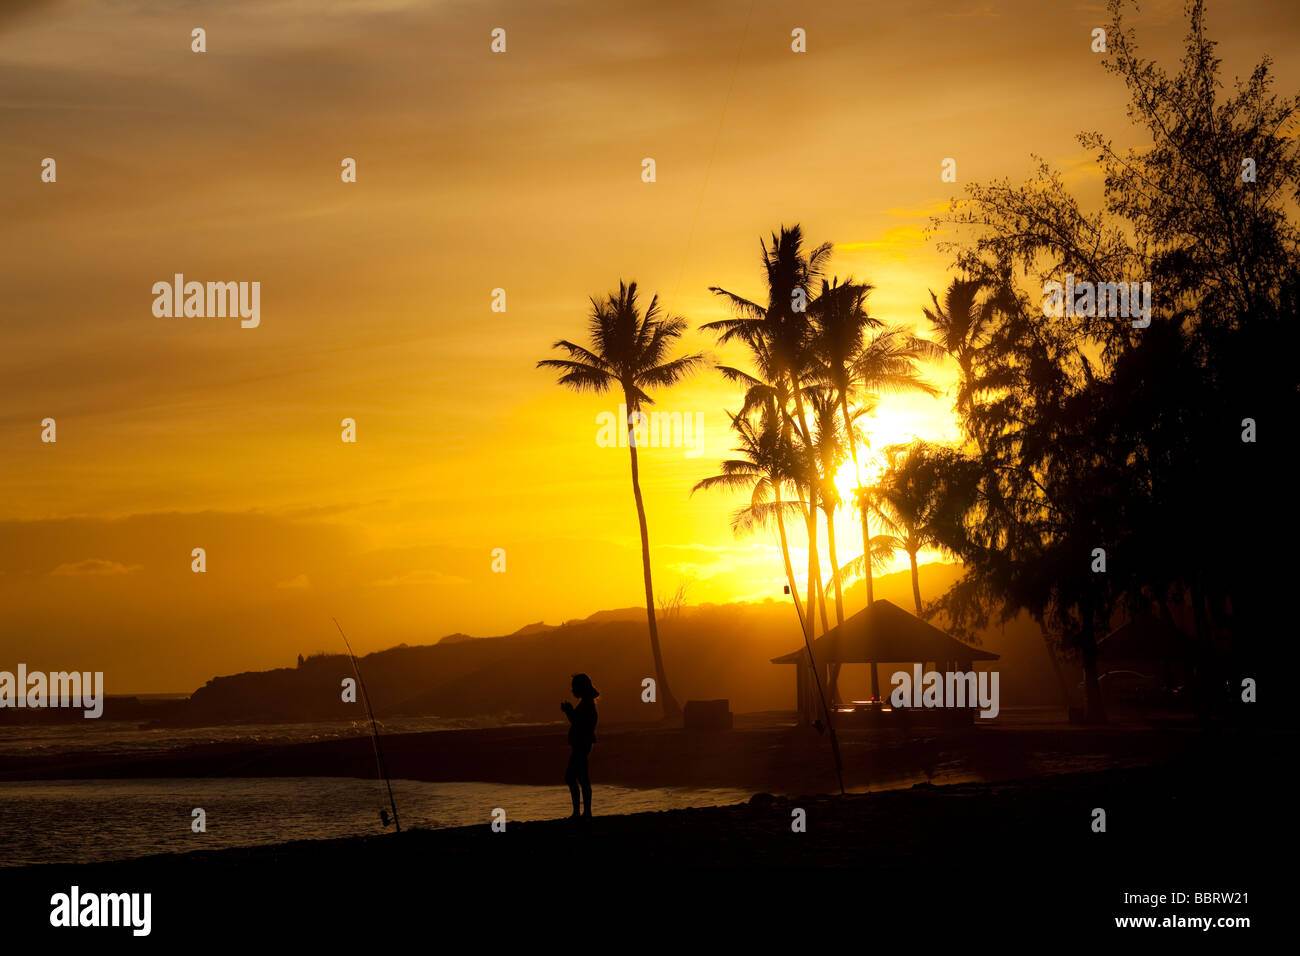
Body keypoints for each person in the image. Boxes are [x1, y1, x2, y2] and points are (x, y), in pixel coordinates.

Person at [561, 673, 599, 820]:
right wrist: (570, 712)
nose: (572, 690)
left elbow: (580, 723)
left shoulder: (587, 704)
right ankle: (582, 812)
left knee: (573, 777)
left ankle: (581, 812)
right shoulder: (587, 702)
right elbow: (578, 722)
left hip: (582, 745)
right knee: (580, 778)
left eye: (574, 687)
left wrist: (569, 711)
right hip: (583, 744)